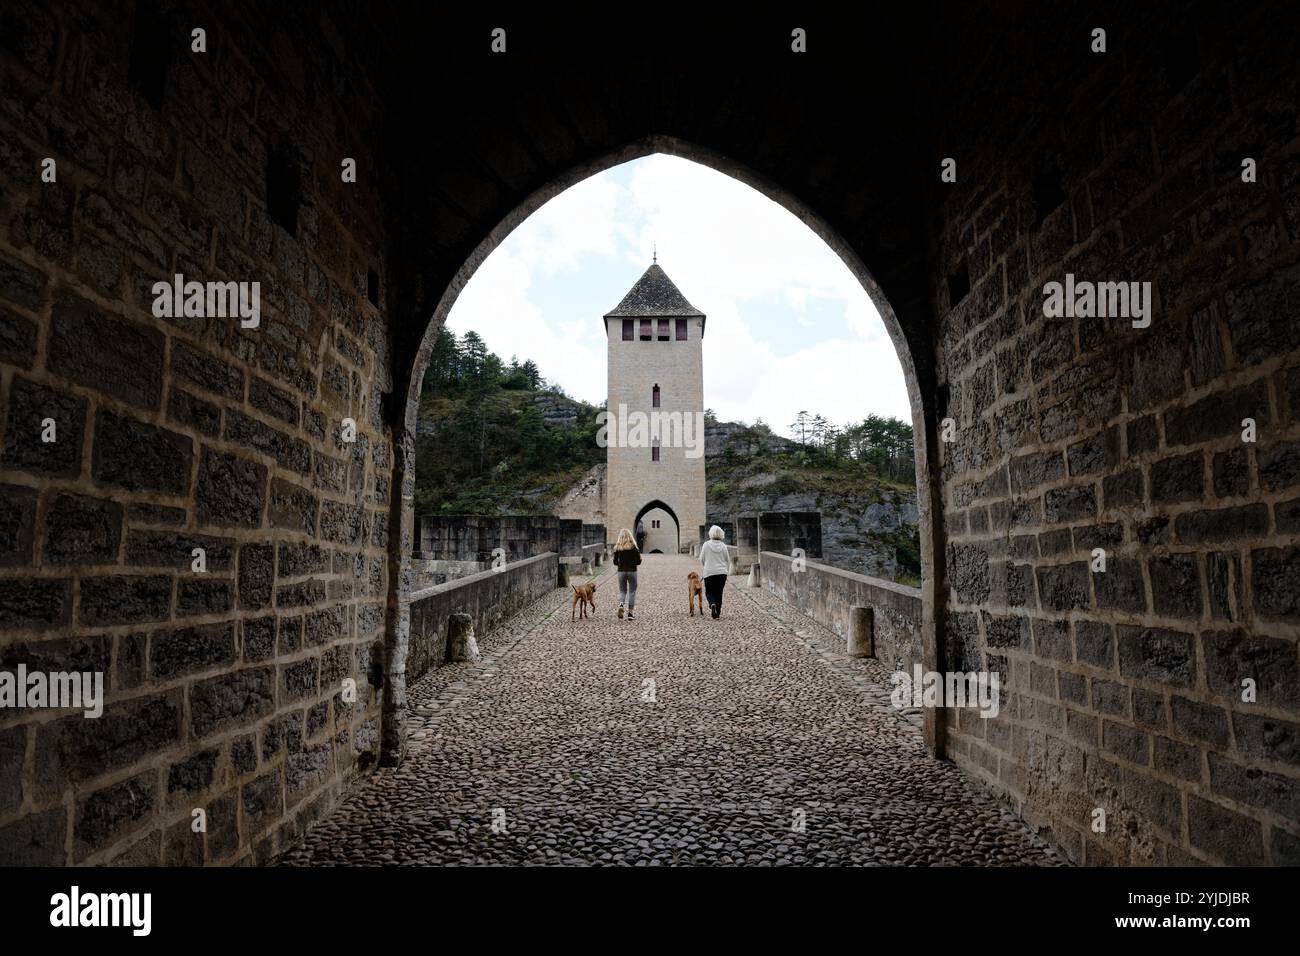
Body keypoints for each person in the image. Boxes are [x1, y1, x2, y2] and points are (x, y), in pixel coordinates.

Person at [698, 524, 730, 619]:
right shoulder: (723, 546)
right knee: (719, 592)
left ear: (710, 534)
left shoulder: (706, 545)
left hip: (709, 572)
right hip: (722, 573)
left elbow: (701, 559)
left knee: (709, 592)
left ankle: (712, 604)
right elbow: (727, 559)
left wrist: (706, 566)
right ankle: (718, 613)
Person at [613, 527, 641, 620]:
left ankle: (621, 604)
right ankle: (630, 613)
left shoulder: (618, 548)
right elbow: (638, 561)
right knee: (632, 592)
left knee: (622, 591)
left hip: (621, 571)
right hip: (632, 571)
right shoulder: (634, 547)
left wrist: (620, 564)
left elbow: (615, 562)